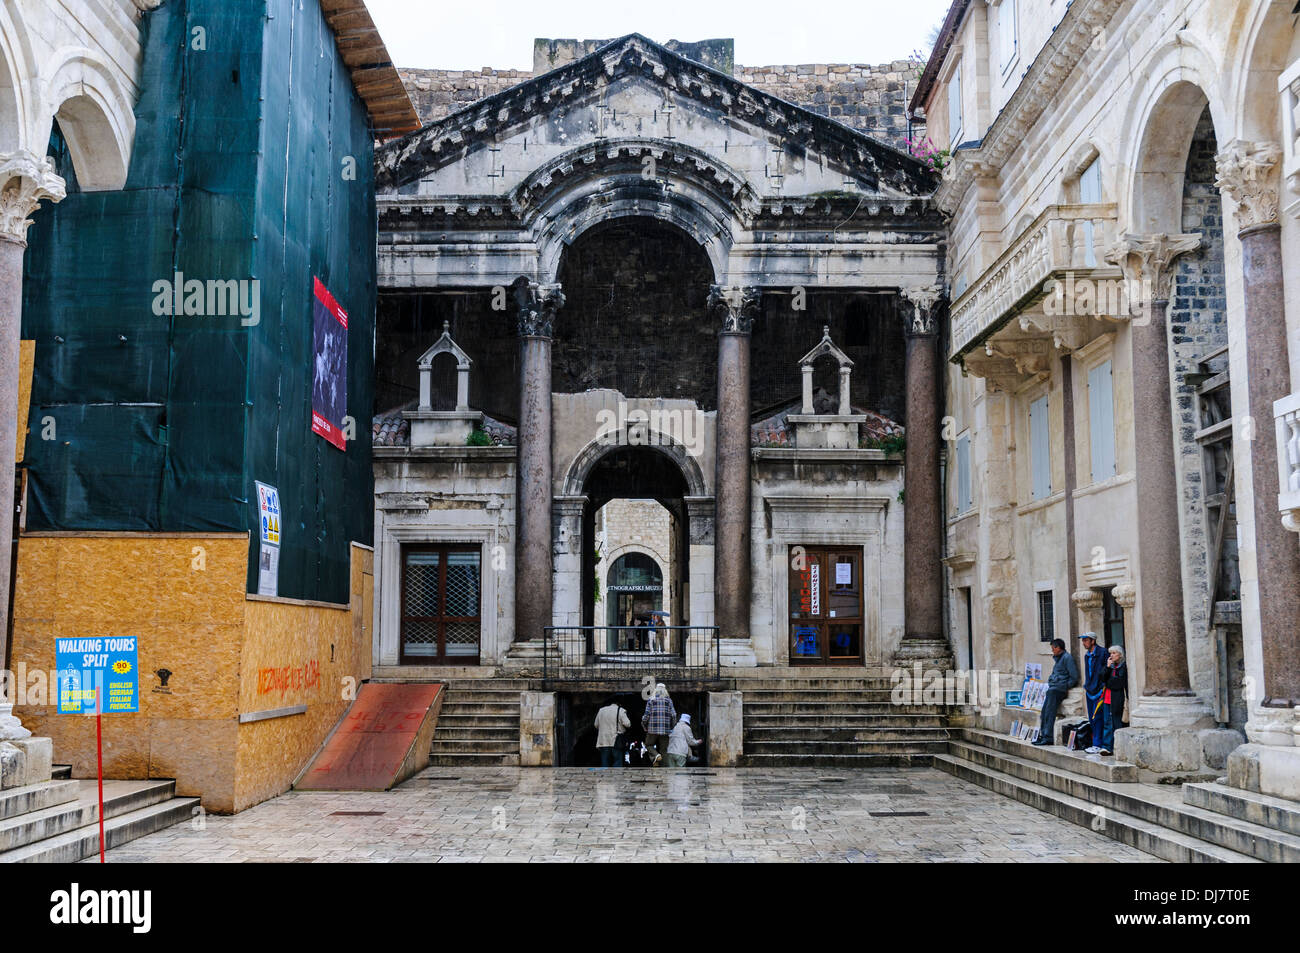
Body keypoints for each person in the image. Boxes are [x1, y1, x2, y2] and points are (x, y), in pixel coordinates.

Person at [1033, 638, 1079, 746]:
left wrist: (1065, 686)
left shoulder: (1067, 658)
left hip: (1058, 689)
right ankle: (1043, 735)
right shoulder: (1058, 659)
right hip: (1053, 689)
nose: (1052, 650)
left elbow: (1074, 677)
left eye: (1053, 648)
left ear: (1058, 648)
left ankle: (1048, 737)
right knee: (1044, 712)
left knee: (1049, 712)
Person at [1080, 632, 1107, 754]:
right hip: (1090, 690)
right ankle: (1094, 742)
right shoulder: (1087, 655)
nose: (1083, 643)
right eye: (1083, 640)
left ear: (1093, 641)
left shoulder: (1102, 653)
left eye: (1086, 640)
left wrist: (1102, 686)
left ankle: (1098, 744)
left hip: (1099, 690)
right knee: (1091, 718)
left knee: (1098, 718)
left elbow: (1105, 671)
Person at [1099, 645, 1128, 756]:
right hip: (1107, 698)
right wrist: (1107, 667)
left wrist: (1108, 681)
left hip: (1117, 698)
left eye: (1114, 653)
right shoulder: (1110, 667)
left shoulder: (1123, 667)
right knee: (1107, 723)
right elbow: (1102, 678)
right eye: (1110, 653)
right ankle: (1107, 747)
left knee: (1117, 723)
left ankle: (1119, 747)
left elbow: (1117, 683)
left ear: (1120, 655)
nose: (1111, 655)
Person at [641, 683, 676, 766]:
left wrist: (644, 725)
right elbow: (674, 715)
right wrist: (672, 727)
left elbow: (646, 715)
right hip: (665, 730)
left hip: (652, 729)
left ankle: (656, 756)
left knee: (648, 745)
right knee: (664, 750)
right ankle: (664, 768)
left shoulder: (651, 700)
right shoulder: (669, 701)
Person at [593, 697, 630, 768]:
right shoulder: (621, 710)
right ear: (619, 703)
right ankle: (616, 778)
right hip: (616, 741)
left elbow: (596, 725)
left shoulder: (601, 710)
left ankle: (605, 778)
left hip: (603, 741)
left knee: (605, 763)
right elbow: (627, 724)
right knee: (617, 762)